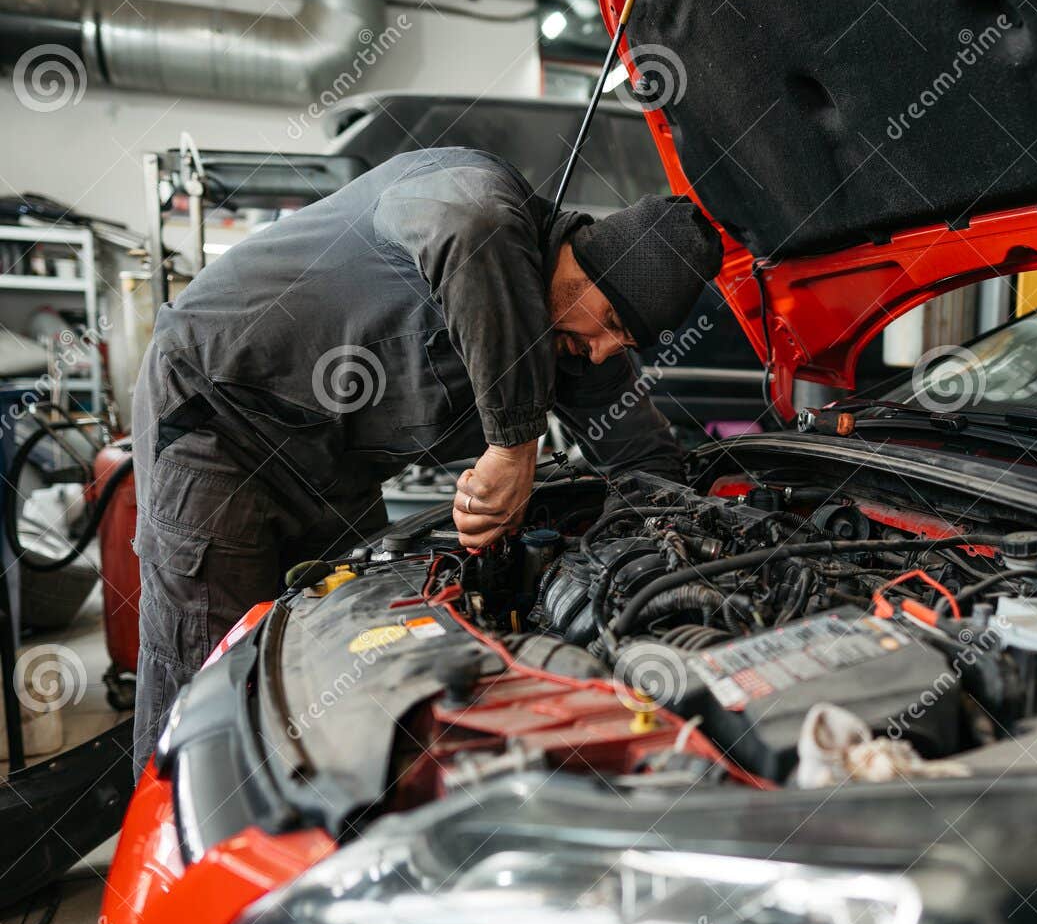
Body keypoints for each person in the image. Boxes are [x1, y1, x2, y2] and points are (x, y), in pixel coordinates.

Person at [128, 146, 723, 769]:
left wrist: (694, 542)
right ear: (585, 258)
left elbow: (643, 454)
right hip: (219, 422)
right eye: (607, 321)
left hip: (334, 472)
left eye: (621, 341)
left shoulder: (572, 339)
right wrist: (515, 446)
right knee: (206, 686)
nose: (601, 351)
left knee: (346, 658)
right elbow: (468, 230)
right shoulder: (480, 195)